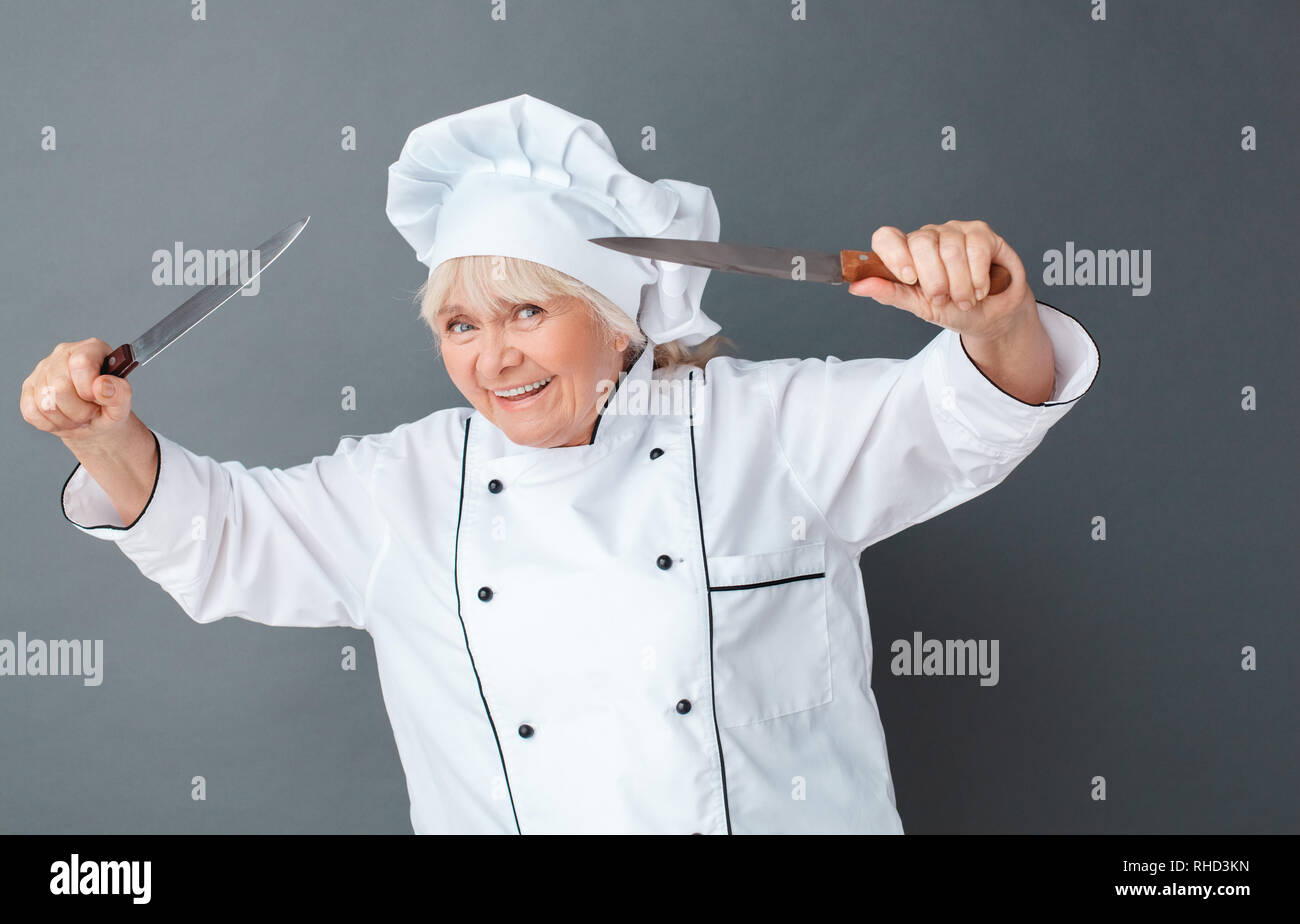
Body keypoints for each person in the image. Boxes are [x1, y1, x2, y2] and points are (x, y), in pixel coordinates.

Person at [20, 94, 1099, 834]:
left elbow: (967, 413)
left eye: (527, 310)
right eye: (456, 322)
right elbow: (223, 537)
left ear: (616, 315)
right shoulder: (405, 487)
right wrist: (101, 434)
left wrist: (993, 318)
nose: (491, 356)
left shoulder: (765, 431)